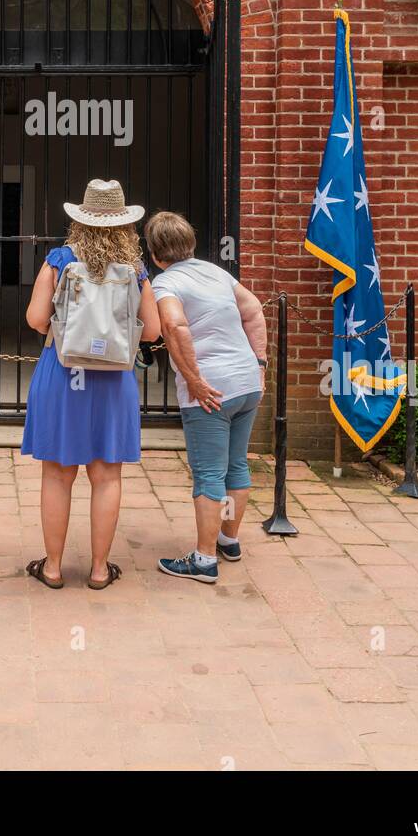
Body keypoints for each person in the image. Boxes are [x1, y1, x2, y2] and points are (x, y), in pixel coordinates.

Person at [21, 179, 161, 590]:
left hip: (65, 373)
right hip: (113, 379)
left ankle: (52, 566)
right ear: (125, 226)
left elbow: (35, 319)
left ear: (80, 220)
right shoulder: (136, 270)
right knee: (107, 476)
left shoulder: (59, 260)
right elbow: (151, 330)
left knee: (57, 475)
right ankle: (100, 569)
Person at [145, 211, 267, 585]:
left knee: (209, 473)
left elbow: (175, 326)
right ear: (191, 244)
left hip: (211, 391)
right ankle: (229, 539)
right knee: (236, 465)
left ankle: (203, 558)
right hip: (247, 383)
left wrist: (194, 380)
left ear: (154, 252)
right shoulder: (217, 272)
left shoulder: (165, 284)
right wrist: (260, 362)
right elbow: (254, 311)